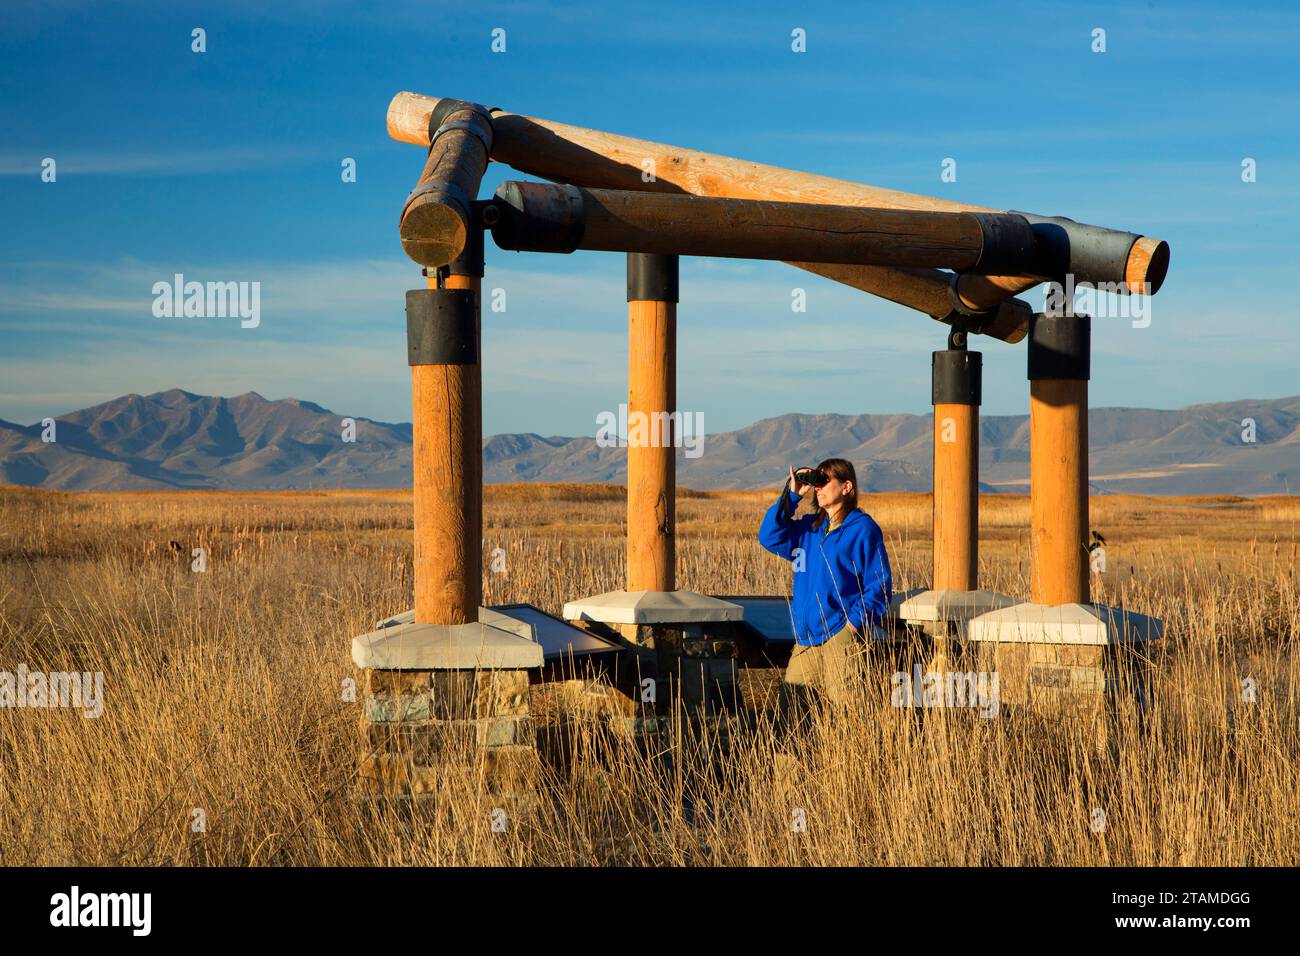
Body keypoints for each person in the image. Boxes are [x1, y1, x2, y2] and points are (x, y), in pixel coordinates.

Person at [758, 457, 893, 734]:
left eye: (825, 481)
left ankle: (854, 777)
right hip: (806, 640)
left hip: (840, 640)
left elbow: (879, 586)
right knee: (790, 727)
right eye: (816, 483)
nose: (818, 488)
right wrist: (792, 494)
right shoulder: (808, 530)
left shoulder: (863, 529)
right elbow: (769, 536)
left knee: (849, 723)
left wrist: (853, 625)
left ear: (846, 487)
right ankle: (789, 780)